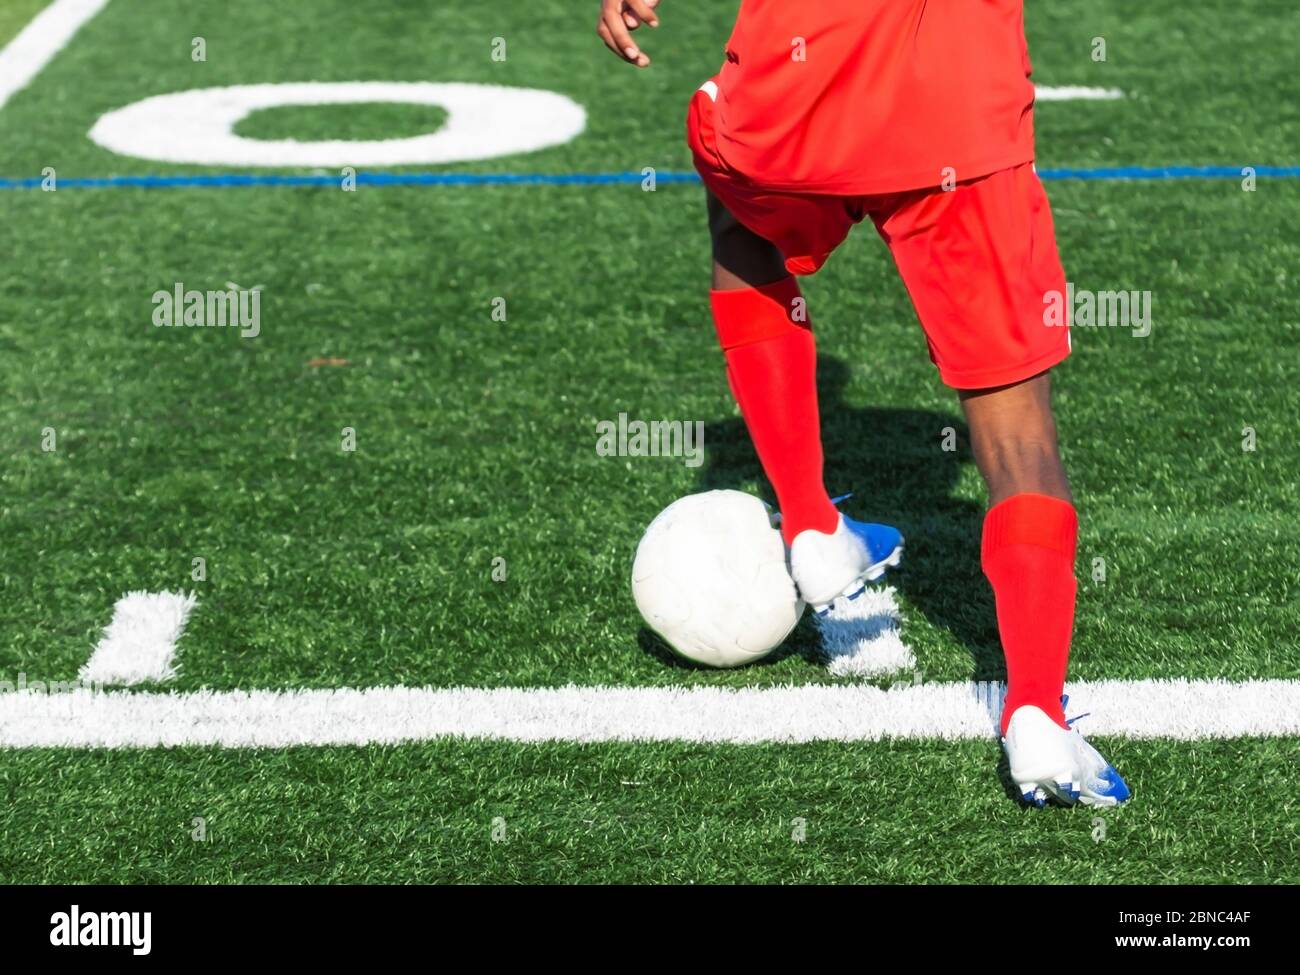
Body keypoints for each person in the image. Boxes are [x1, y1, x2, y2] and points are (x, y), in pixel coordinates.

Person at [596, 0, 1129, 807]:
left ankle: (811, 523)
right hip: (955, 103)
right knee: (1018, 435)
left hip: (798, 81)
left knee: (744, 219)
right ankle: (1034, 713)